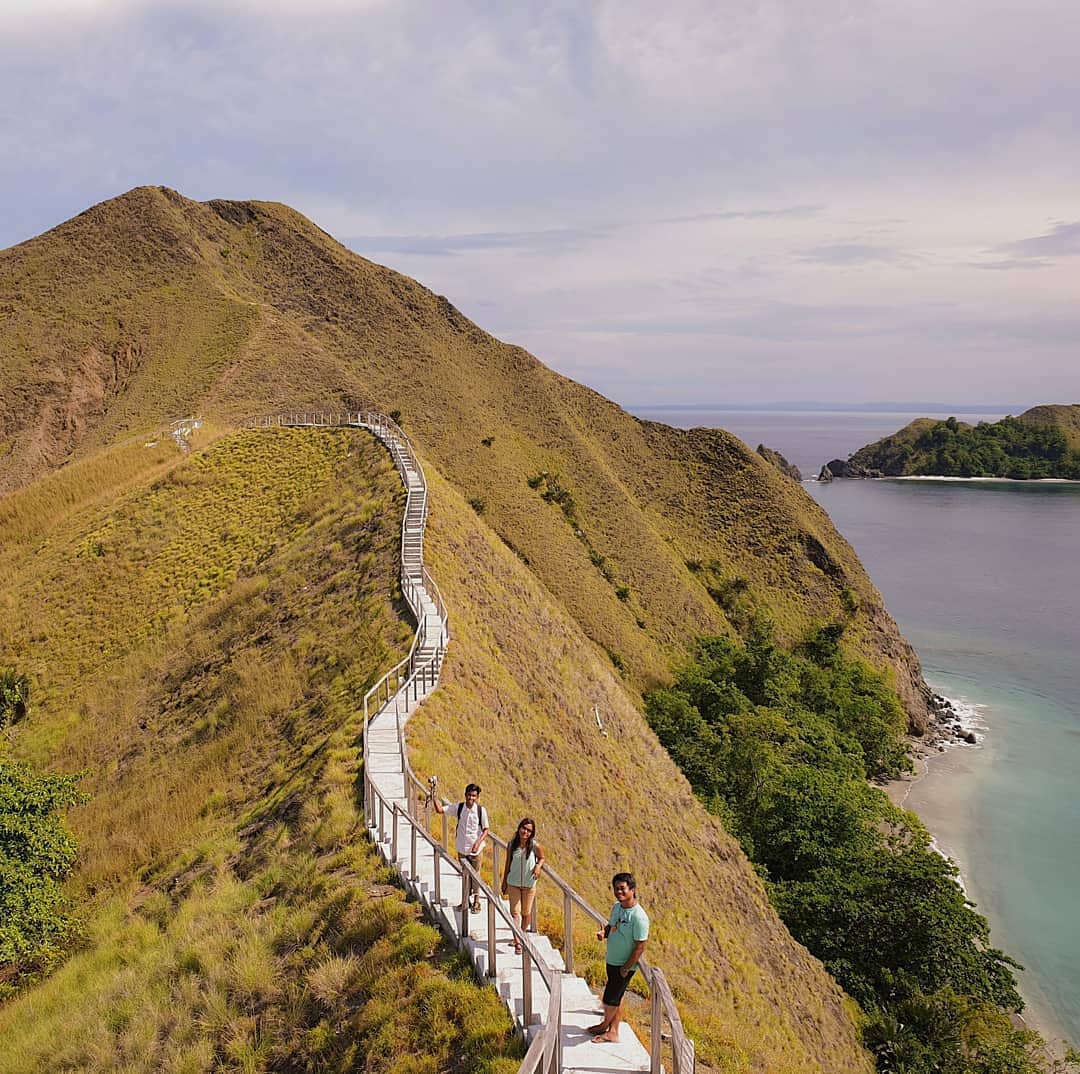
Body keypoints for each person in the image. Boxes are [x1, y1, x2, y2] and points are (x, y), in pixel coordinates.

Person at [589, 872, 650, 1044]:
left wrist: (626, 968)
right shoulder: (617, 907)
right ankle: (613, 1032)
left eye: (622, 888)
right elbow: (611, 926)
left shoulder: (639, 917)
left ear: (633, 890)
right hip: (612, 960)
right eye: (616, 888)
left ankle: (604, 1026)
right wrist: (604, 933)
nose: (619, 892)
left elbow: (640, 946)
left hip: (623, 965)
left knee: (609, 999)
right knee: (618, 996)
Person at [433, 783, 489, 913]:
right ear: (465, 795)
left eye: (474, 796)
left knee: (475, 877)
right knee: (465, 875)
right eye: (469, 795)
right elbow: (440, 810)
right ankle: (465, 902)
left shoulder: (481, 811)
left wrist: (477, 843)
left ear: (477, 797)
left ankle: (476, 902)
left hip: (476, 851)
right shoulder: (459, 807)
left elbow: (486, 829)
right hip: (462, 849)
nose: (471, 798)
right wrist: (434, 797)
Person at [500, 817, 546, 953]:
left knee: (526, 913)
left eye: (528, 830)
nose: (525, 832)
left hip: (529, 884)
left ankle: (521, 934)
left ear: (532, 833)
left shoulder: (535, 846)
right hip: (513, 883)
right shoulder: (511, 845)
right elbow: (507, 864)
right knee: (515, 913)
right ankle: (518, 941)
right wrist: (504, 882)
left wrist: (538, 866)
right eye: (523, 828)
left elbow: (542, 858)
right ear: (519, 828)